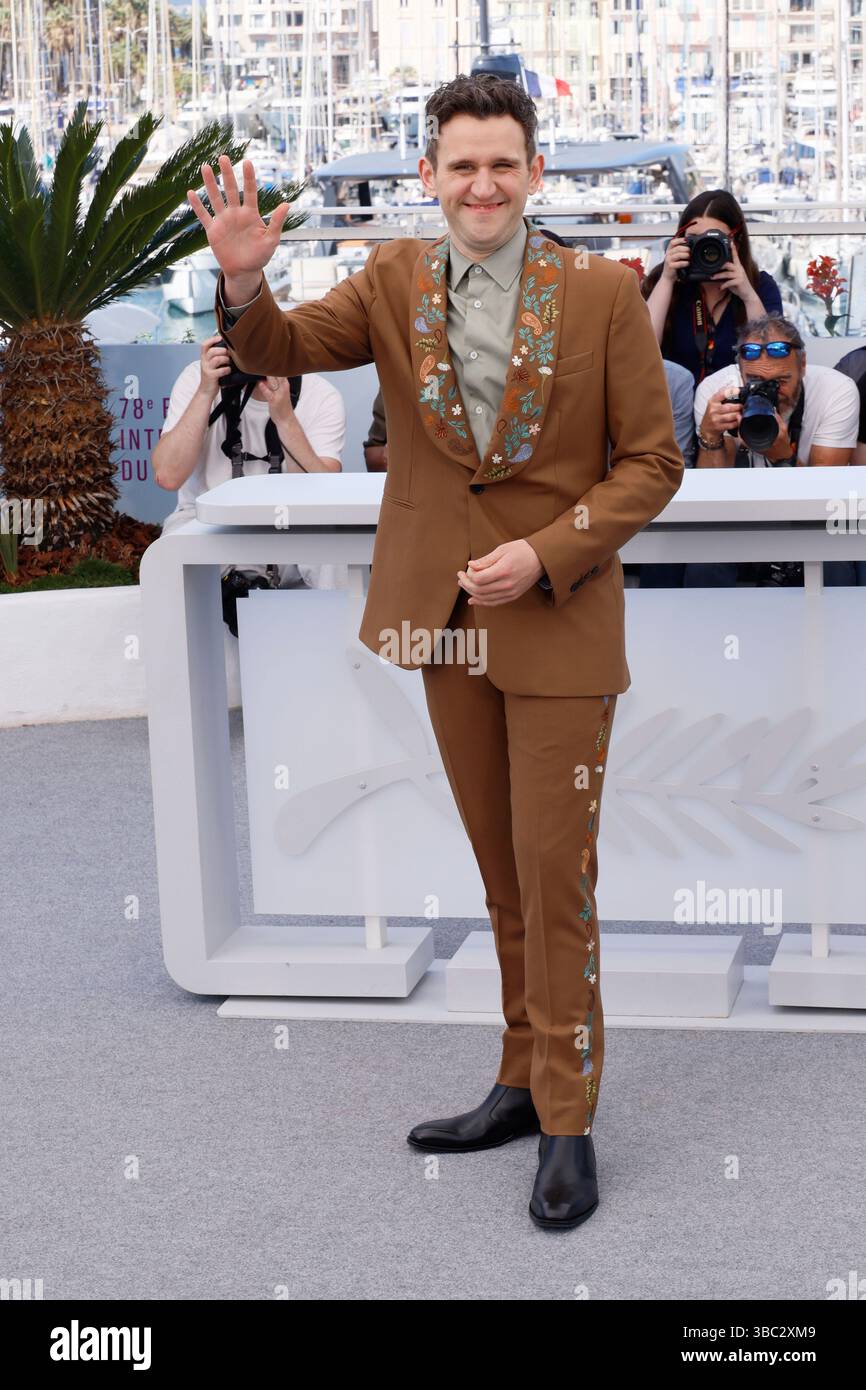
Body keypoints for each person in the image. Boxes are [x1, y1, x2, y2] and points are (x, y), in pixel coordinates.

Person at [188, 73, 684, 1231]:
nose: (480, 183)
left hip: (556, 616)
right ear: (429, 176)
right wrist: (243, 274)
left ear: (532, 174)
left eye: (500, 163)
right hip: (440, 621)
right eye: (459, 164)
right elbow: (275, 343)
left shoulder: (603, 293)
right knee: (502, 872)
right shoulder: (395, 280)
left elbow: (650, 464)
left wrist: (549, 551)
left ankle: (567, 1118)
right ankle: (517, 1081)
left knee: (555, 876)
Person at [154, 331, 348, 627]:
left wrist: (284, 418)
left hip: (292, 523)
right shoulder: (197, 379)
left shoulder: (320, 394)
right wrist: (207, 392)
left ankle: (339, 653)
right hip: (211, 521)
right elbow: (168, 475)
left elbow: (324, 493)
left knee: (334, 552)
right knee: (171, 546)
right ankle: (184, 662)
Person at [688, 313, 860, 587]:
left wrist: (783, 458)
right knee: (705, 560)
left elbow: (829, 497)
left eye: (780, 382)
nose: (770, 392)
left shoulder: (835, 390)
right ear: (739, 369)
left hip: (809, 520)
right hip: (736, 514)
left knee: (835, 562)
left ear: (803, 365)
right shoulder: (718, 391)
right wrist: (712, 435)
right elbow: (710, 498)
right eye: (755, 380)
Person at [642, 188, 783, 387]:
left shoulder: (760, 287)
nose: (704, 248)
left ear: (737, 241)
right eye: (694, 238)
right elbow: (643, 351)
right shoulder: (663, 282)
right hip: (675, 406)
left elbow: (772, 358)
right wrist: (667, 279)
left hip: (735, 407)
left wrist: (748, 296)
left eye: (714, 239)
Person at [637, 359, 696, 587]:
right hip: (587, 494)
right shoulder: (576, 377)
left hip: (650, 493)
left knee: (667, 538)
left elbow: (674, 465)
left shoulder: (674, 380)